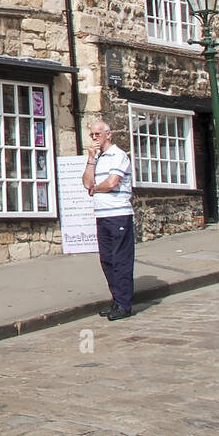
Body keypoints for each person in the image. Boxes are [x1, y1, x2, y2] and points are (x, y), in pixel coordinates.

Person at [82, 119, 134, 321]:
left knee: (121, 260)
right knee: (107, 260)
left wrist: (95, 189)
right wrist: (90, 158)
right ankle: (117, 299)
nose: (95, 138)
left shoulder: (118, 156)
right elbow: (87, 182)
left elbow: (112, 182)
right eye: (92, 135)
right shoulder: (98, 158)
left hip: (118, 213)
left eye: (98, 134)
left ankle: (124, 304)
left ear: (108, 135)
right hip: (102, 214)